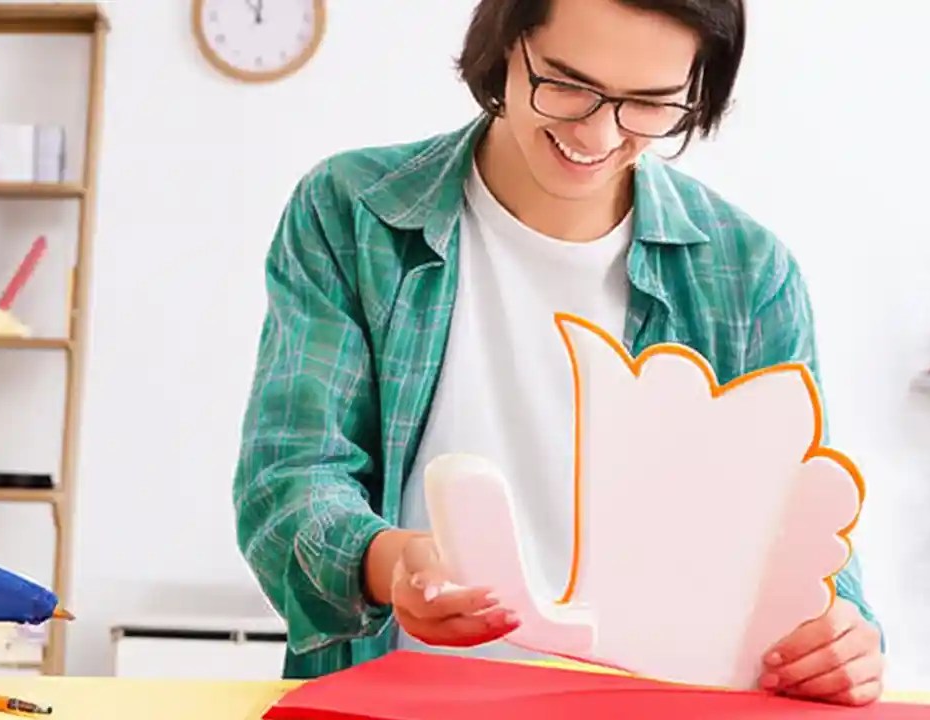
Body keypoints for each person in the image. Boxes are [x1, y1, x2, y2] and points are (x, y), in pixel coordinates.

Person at [232, 0, 886, 706]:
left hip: (650, 704)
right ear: (507, 46)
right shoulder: (351, 211)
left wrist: (839, 630)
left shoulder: (749, 274)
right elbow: (292, 478)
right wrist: (391, 565)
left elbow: (798, 519)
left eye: (649, 104)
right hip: (397, 698)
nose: (598, 132)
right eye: (569, 85)